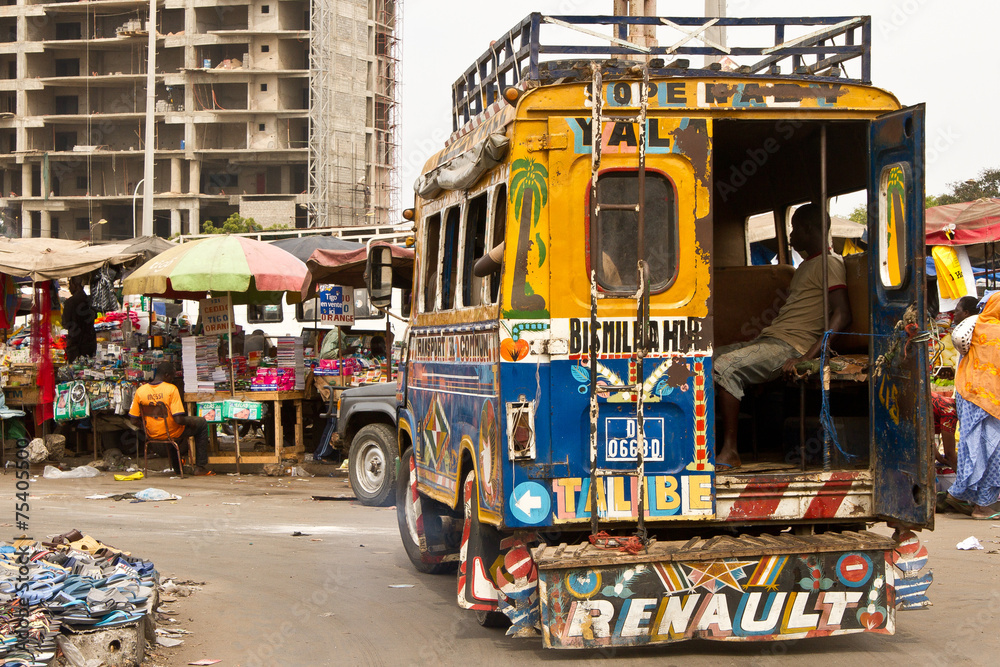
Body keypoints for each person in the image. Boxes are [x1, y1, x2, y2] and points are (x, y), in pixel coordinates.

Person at [713, 203, 852, 469]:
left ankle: (730, 451)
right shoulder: (806, 266)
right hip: (772, 341)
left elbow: (843, 314)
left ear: (808, 229)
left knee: (724, 366)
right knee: (704, 359)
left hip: (792, 346)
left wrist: (807, 357)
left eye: (794, 228)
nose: (791, 235)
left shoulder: (829, 263)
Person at [947, 292, 1000, 519]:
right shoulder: (996, 330)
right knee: (992, 450)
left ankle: (960, 494)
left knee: (972, 445)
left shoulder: (975, 326)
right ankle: (981, 505)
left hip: (968, 394)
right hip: (991, 400)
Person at [129, 362, 210, 475]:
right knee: (201, 423)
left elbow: (133, 420)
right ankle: (200, 467)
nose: (173, 379)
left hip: (151, 433)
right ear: (166, 375)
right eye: (172, 376)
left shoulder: (140, 391)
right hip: (171, 431)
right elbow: (179, 420)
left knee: (172, 429)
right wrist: (190, 421)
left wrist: (147, 427)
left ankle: (178, 468)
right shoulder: (171, 389)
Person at [933, 295, 980, 469]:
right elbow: (950, 453)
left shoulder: (949, 412)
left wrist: (944, 460)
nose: (954, 313)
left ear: (966, 313)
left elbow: (946, 452)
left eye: (957, 310)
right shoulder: (949, 412)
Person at [62, 276, 97, 362]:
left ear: (76, 285)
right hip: (89, 344)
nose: (69, 288)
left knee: (76, 369)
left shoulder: (70, 302)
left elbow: (65, 323)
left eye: (70, 285)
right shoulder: (91, 300)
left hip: (75, 345)